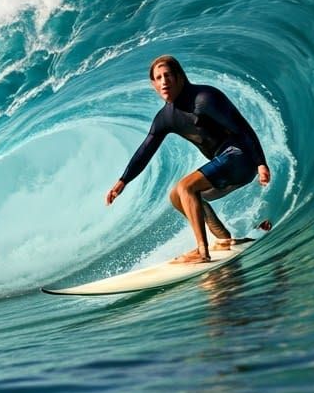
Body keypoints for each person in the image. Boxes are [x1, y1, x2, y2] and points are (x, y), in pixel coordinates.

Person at [105, 55, 270, 264]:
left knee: (186, 187)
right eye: (158, 78)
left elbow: (242, 128)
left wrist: (260, 162)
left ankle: (202, 251)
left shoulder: (205, 98)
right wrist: (122, 182)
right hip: (224, 164)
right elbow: (145, 150)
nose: (164, 81)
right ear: (153, 85)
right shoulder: (166, 117)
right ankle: (224, 239)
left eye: (168, 75)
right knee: (177, 196)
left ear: (180, 77)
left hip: (241, 157)